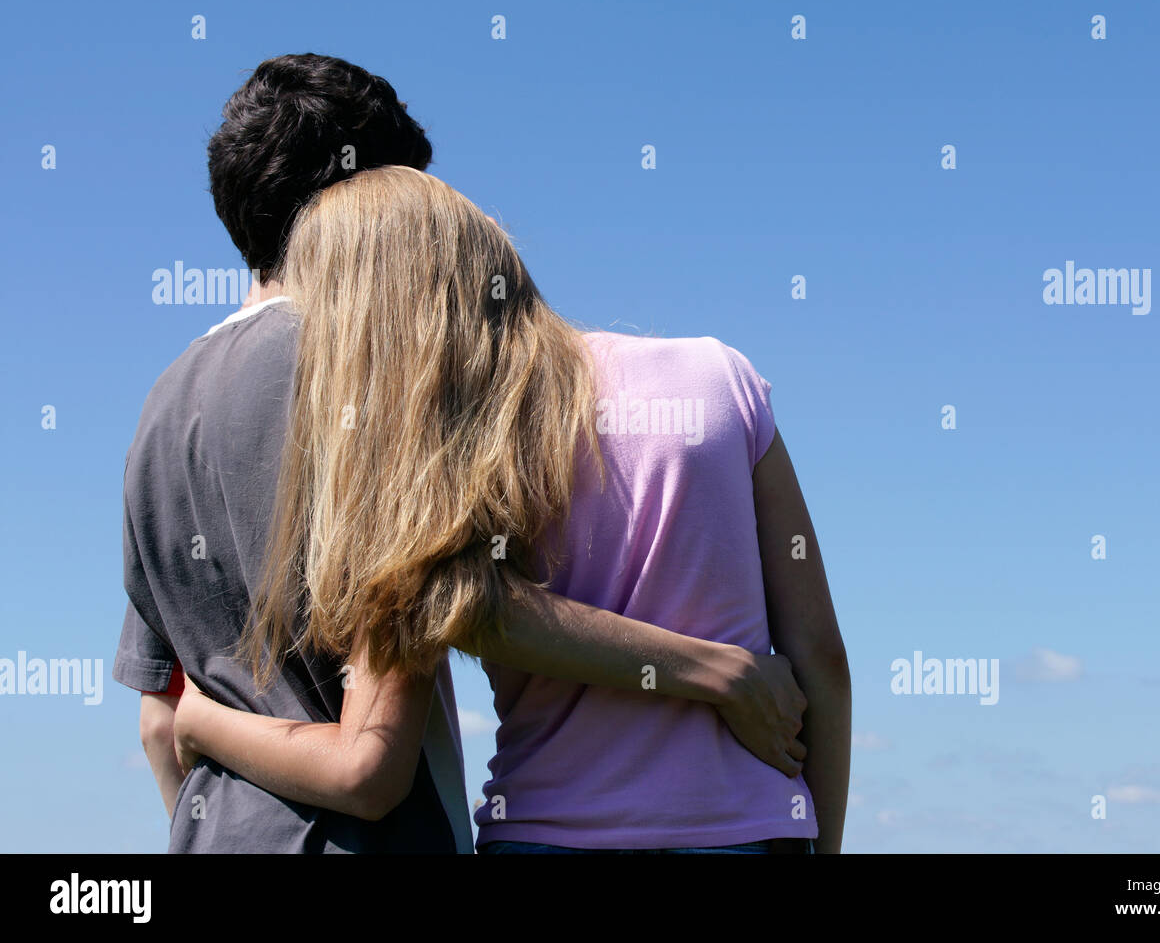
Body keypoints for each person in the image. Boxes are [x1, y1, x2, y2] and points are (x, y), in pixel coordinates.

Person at [116, 54, 809, 853]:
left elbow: (159, 724)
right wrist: (715, 672)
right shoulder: (374, 369)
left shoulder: (158, 413)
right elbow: (420, 652)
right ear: (370, 204)